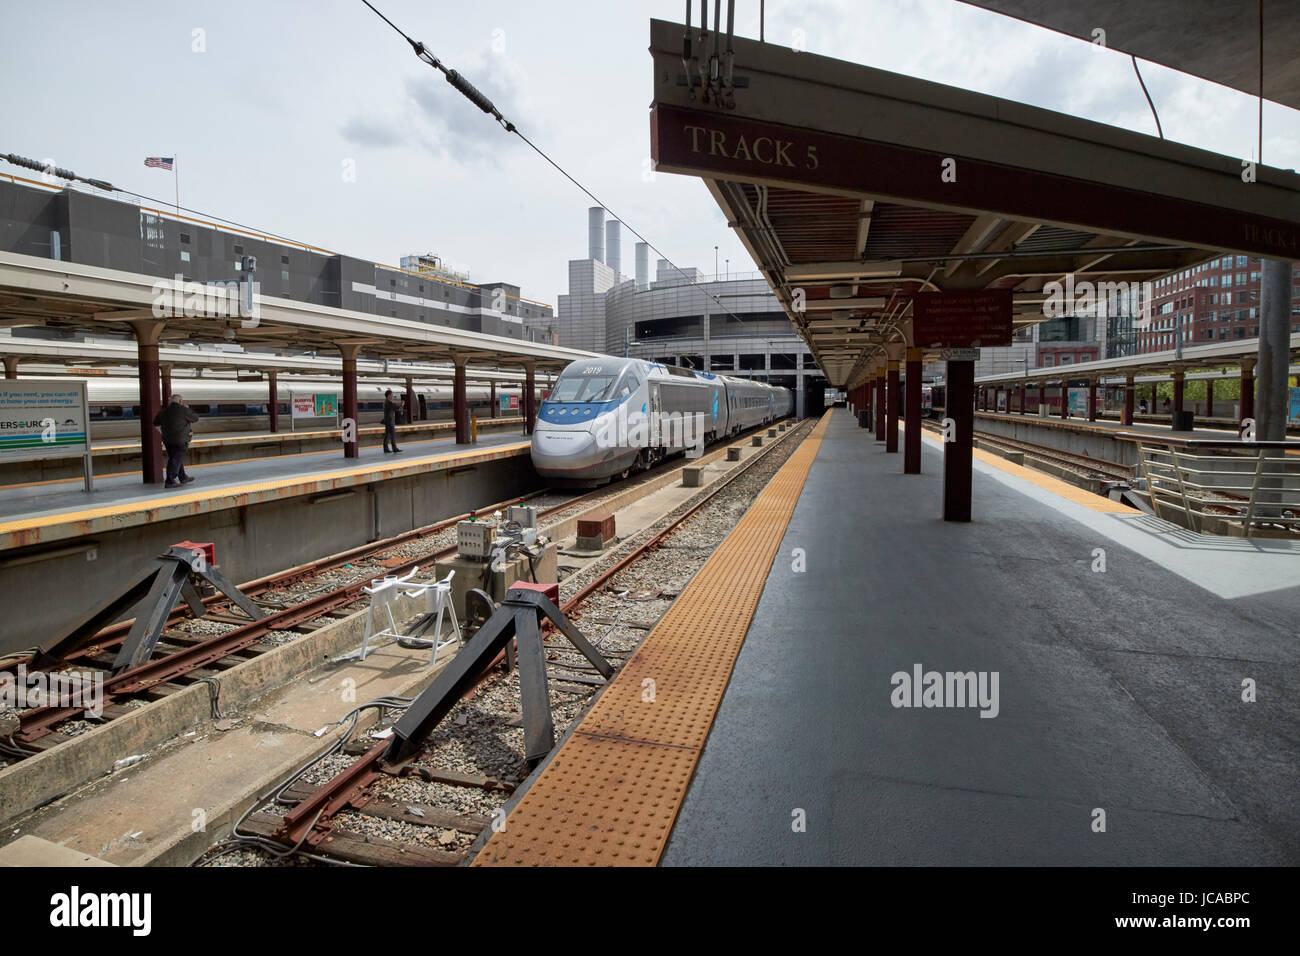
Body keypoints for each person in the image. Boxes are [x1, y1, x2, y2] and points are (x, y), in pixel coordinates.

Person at [153, 394, 200, 488]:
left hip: (167, 440)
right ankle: (170, 481)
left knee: (175, 458)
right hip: (181, 439)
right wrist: (188, 408)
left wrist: (162, 432)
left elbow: (155, 423)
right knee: (175, 459)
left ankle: (183, 477)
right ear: (180, 401)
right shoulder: (184, 410)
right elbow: (195, 418)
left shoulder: (164, 411)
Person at [382, 389, 402, 453]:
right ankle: (394, 448)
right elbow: (395, 406)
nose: (392, 396)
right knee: (392, 435)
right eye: (391, 394)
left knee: (387, 435)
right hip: (390, 421)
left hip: (388, 421)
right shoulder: (388, 402)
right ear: (389, 395)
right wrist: (401, 403)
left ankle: (386, 449)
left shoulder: (386, 401)